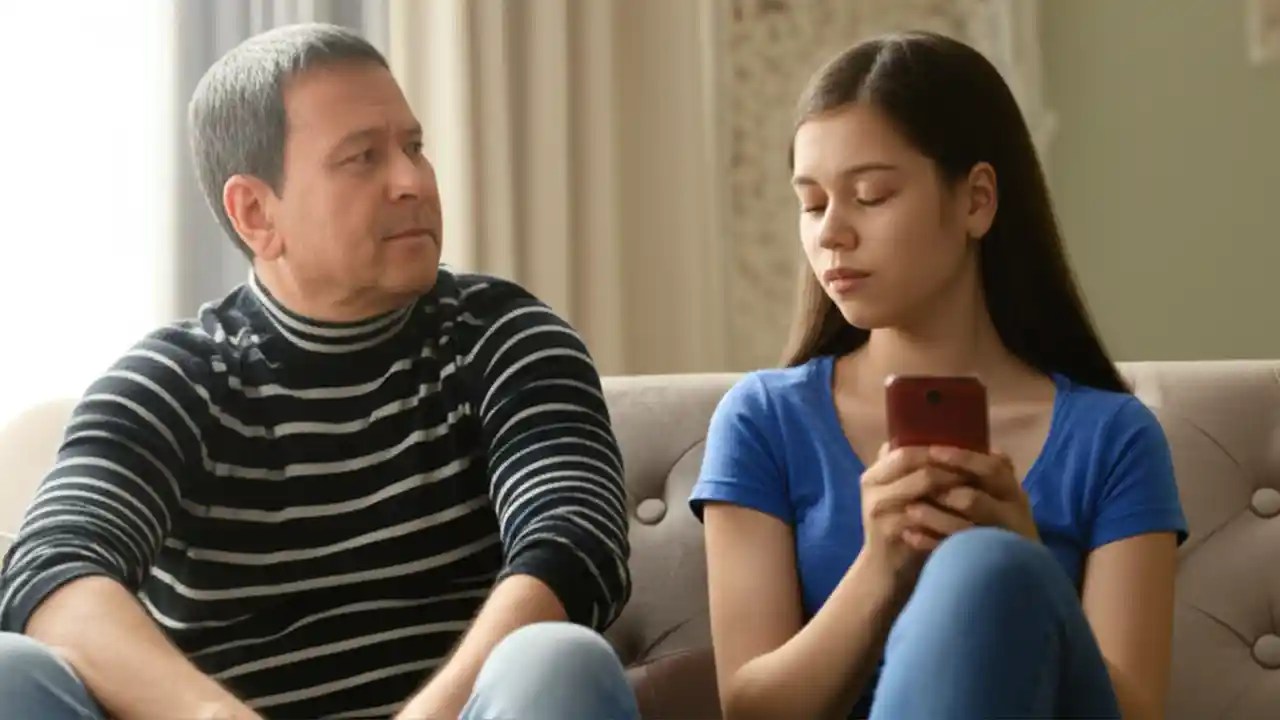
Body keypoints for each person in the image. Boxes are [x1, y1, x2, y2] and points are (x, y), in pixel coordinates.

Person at [0, 23, 640, 720]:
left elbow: (574, 541)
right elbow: (52, 568)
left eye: (414, 147)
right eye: (362, 157)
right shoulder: (173, 381)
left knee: (557, 658)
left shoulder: (505, 337)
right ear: (255, 212)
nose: (413, 181)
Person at [690, 31, 1187, 720]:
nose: (831, 232)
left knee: (990, 570)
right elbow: (748, 709)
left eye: (869, 195)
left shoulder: (1115, 437)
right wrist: (880, 568)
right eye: (812, 203)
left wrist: (1024, 569)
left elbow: (1137, 711)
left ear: (976, 200)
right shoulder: (763, 422)